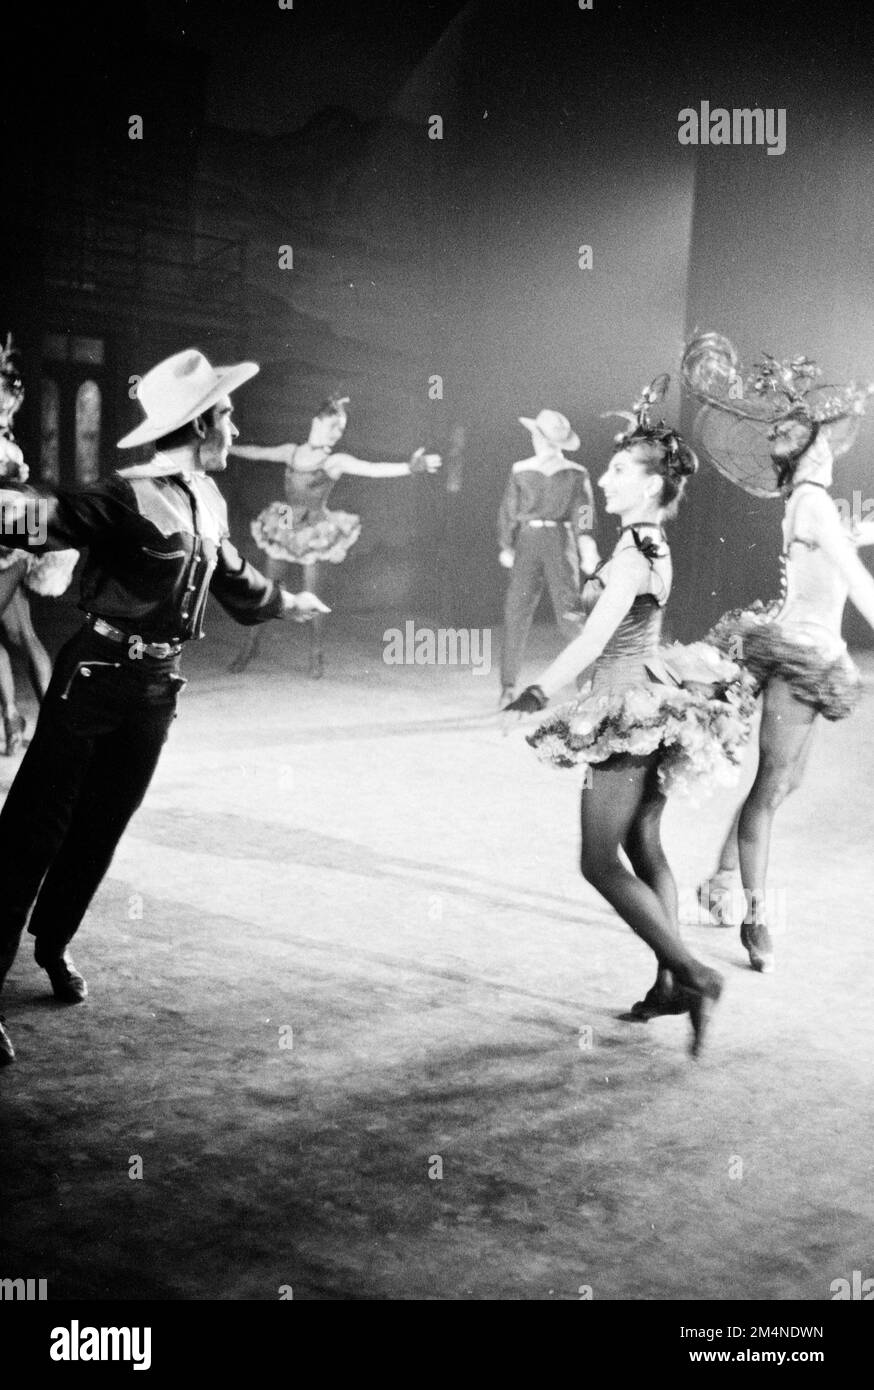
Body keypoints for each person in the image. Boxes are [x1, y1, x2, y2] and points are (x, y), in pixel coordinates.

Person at [0, 348, 328, 1067]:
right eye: (230, 415)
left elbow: (233, 574)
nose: (237, 427)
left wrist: (287, 602)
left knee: (100, 827)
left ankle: (52, 947)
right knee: (33, 832)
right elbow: (46, 516)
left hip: (155, 691)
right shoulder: (126, 496)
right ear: (204, 422)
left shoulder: (206, 499)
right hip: (93, 678)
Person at [505, 378, 755, 1056]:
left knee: (597, 860)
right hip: (649, 699)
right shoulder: (649, 547)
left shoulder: (630, 557)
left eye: (619, 471)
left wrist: (539, 691)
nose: (607, 480)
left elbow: (591, 641)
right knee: (644, 846)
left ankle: (696, 975)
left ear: (648, 487)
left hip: (624, 708)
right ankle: (672, 984)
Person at [683, 335, 874, 973]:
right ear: (811, 449)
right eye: (818, 436)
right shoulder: (814, 501)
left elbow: (833, 549)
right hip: (801, 657)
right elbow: (852, 575)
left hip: (810, 652)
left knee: (786, 782)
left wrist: (860, 531)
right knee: (769, 790)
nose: (829, 443)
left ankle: (716, 881)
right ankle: (755, 919)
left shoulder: (806, 502)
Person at [228, 396, 441, 676]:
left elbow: (373, 469)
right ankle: (251, 645)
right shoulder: (291, 452)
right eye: (332, 426)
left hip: (317, 527)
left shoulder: (334, 460)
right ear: (316, 422)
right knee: (269, 588)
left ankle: (316, 655)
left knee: (313, 594)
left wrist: (410, 467)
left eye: (340, 430)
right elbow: (256, 452)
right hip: (286, 520)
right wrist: (225, 446)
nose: (336, 434)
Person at [0, 334, 78, 753]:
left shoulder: (6, 446)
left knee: (21, 633)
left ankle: (23, 722)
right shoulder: (9, 443)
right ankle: (22, 722)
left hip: (10, 526)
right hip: (15, 523)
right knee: (22, 632)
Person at [498, 409, 599, 704]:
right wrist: (506, 544)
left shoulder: (573, 472)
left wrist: (586, 545)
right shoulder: (525, 469)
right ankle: (508, 686)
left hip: (548, 539)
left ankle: (586, 685)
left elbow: (583, 513)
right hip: (545, 540)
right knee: (529, 612)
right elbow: (508, 511)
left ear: (537, 437)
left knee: (562, 614)